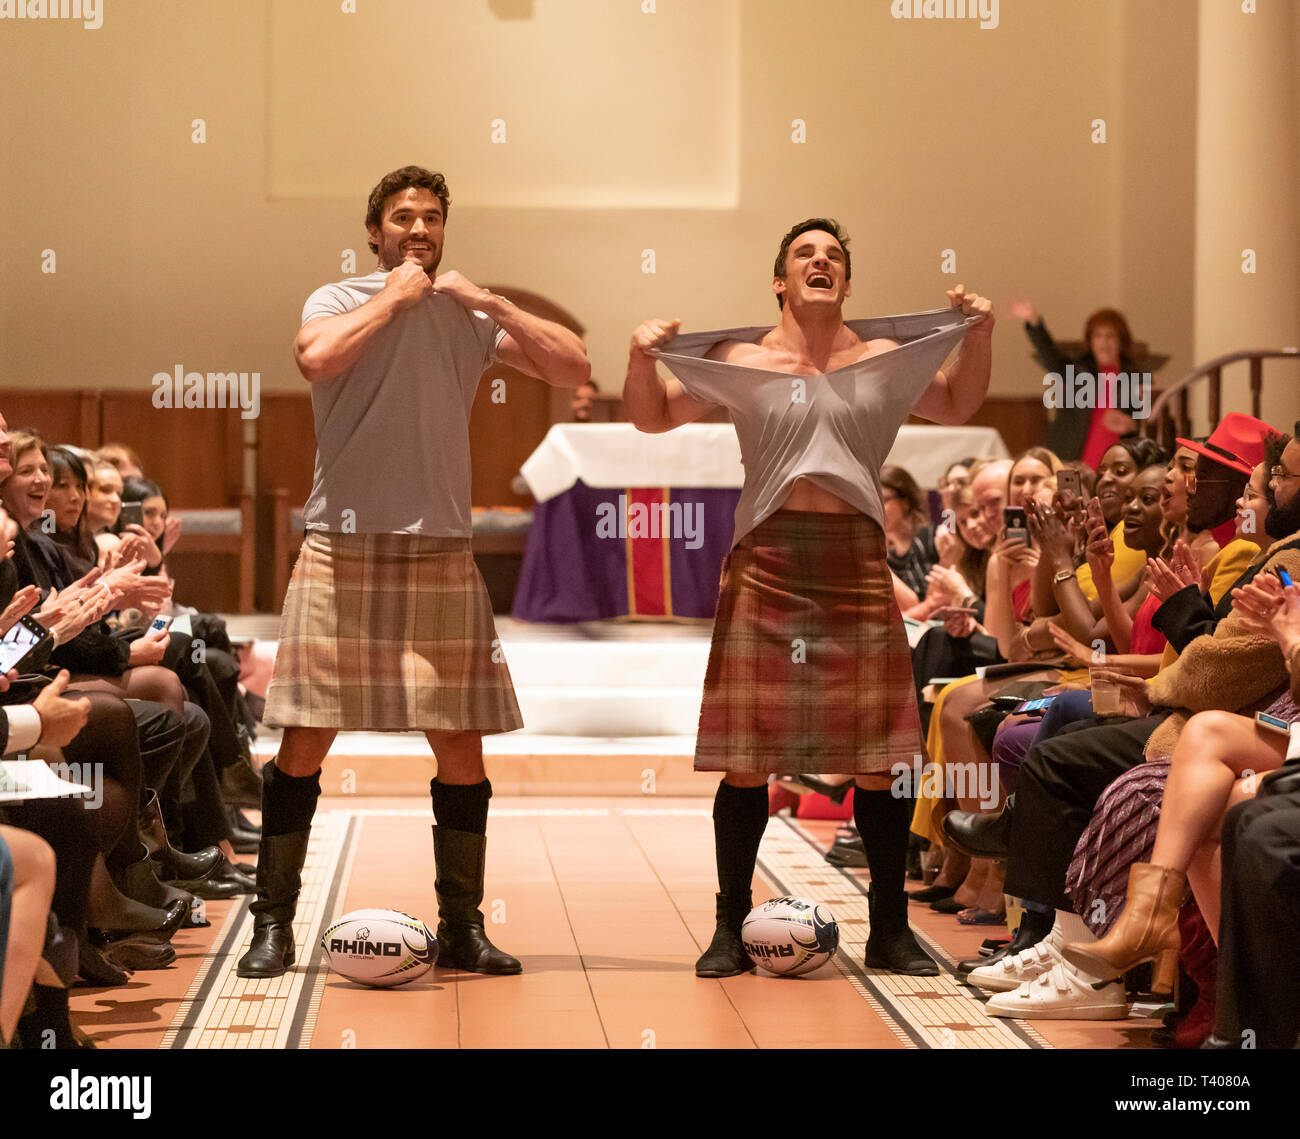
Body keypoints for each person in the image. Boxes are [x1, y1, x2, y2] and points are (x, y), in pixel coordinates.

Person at [239, 165, 590, 980]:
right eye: (403, 217)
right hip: (341, 546)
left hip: (437, 547)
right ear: (375, 232)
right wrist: (394, 298)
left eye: (432, 217)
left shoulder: (468, 316)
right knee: (305, 736)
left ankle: (462, 925)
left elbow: (572, 367)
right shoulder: (336, 299)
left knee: (460, 740)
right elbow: (314, 360)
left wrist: (494, 304)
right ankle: (273, 922)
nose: (419, 229)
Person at [624, 217, 993, 978]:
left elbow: (957, 403)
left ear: (847, 283)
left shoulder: (885, 357)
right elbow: (651, 414)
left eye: (833, 256)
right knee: (746, 758)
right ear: (779, 281)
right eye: (805, 254)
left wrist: (979, 332)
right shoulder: (741, 358)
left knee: (881, 760)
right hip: (767, 560)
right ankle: (728, 926)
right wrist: (636, 354)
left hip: (855, 562)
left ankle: (888, 928)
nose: (820, 262)